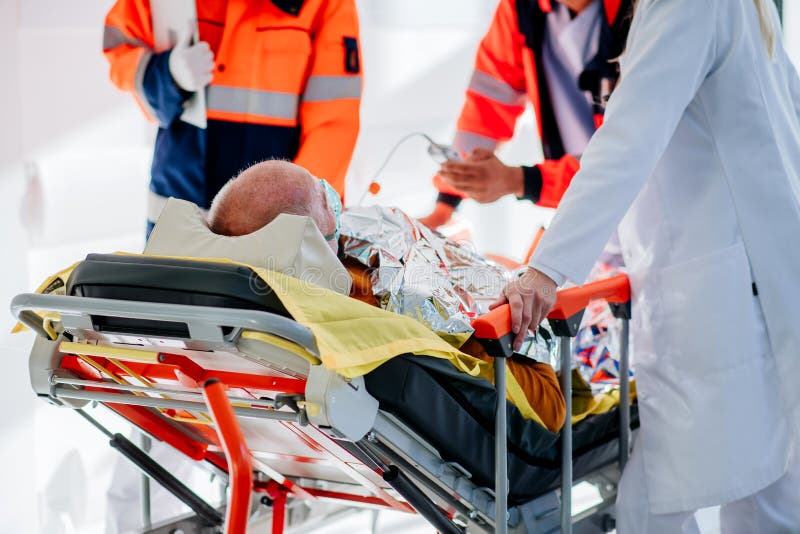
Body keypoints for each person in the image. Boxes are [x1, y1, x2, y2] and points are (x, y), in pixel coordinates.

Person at [497, 0, 800, 531]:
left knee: (661, 506)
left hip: (725, 298)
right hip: (750, 280)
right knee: (764, 495)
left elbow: (629, 140)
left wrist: (546, 268)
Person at [207, 160, 567, 433]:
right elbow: (550, 408)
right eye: (325, 199)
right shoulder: (367, 299)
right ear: (313, 240)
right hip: (531, 356)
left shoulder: (256, 296)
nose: (336, 205)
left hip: (465, 269)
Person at [102, 0, 362, 235]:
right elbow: (119, 42)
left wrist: (297, 220)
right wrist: (166, 74)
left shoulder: (326, 4)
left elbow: (333, 127)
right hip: (174, 216)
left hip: (271, 230)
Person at [419, 0, 634, 229]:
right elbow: (488, 105)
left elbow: (626, 155)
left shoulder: (641, 14)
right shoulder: (519, 7)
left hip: (646, 217)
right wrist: (446, 205)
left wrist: (517, 180)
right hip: (577, 209)